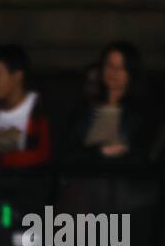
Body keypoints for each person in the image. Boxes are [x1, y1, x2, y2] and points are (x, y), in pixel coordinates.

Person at [0, 43, 52, 184]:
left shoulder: (41, 108)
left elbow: (44, 155)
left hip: (38, 197)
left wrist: (0, 163)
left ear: (17, 76)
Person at [62, 41, 151, 169]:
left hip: (123, 184)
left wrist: (122, 153)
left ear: (131, 73)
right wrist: (99, 153)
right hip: (84, 182)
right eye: (110, 65)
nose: (113, 72)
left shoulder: (141, 114)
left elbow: (144, 156)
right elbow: (67, 153)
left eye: (121, 67)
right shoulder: (84, 110)